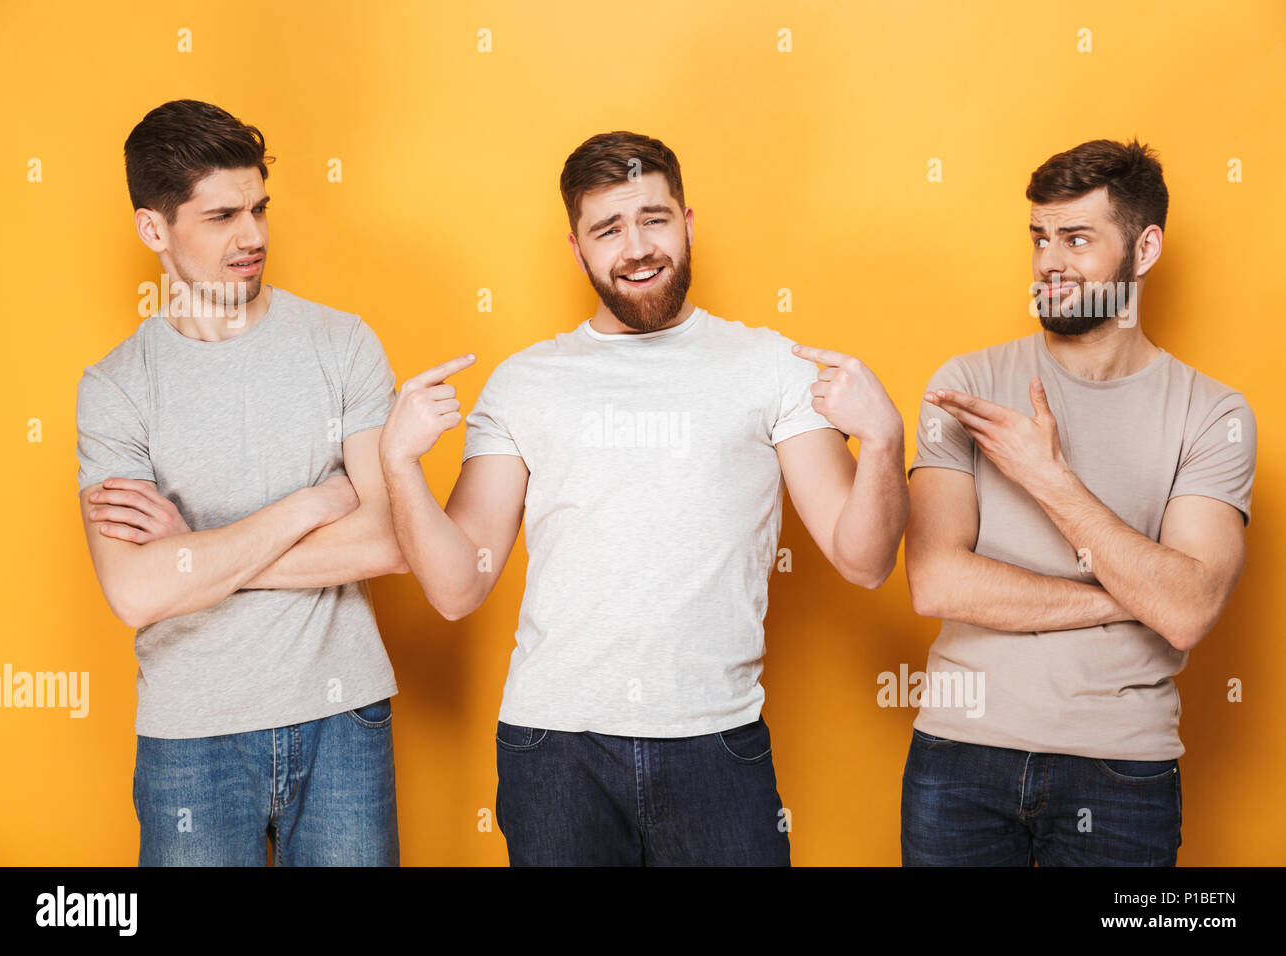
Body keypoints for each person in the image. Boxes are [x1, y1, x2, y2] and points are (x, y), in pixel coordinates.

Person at [380, 130, 909, 865]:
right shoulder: (526, 382)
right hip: (555, 748)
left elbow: (865, 561)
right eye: (608, 229)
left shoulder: (772, 367)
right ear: (577, 250)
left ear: (686, 224)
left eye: (653, 219)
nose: (636, 248)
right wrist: (398, 463)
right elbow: (455, 587)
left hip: (715, 742)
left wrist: (884, 441)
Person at [901, 138, 1257, 866]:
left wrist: (1048, 477)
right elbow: (935, 580)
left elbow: (1188, 610)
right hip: (961, 754)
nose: (1049, 262)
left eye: (1077, 239)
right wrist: (1133, 596)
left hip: (1123, 769)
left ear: (1144, 248)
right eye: (1039, 238)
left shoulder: (1213, 414)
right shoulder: (965, 385)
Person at [75, 99, 408, 866]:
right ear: (154, 229)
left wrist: (192, 553)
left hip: (343, 715)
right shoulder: (116, 387)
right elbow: (135, 592)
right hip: (192, 736)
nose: (253, 236)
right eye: (222, 216)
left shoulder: (343, 342)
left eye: (259, 208)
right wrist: (314, 503)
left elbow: (390, 540)